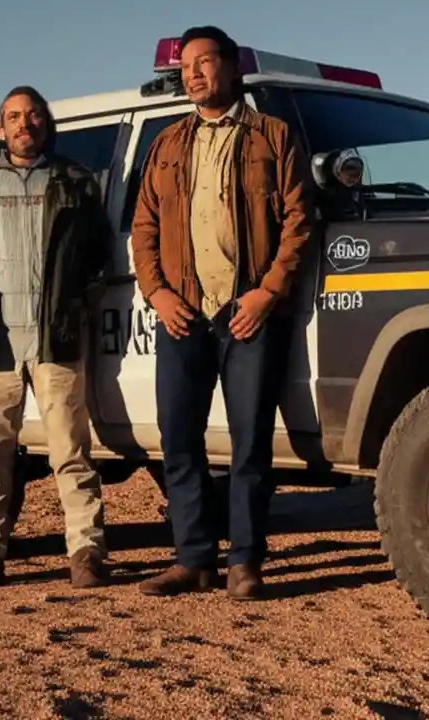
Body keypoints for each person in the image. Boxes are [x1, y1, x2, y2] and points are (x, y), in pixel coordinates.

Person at [130, 26, 314, 600]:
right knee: (178, 440)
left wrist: (267, 294)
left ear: (232, 69)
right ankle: (192, 558)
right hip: (181, 312)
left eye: (205, 62)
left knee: (250, 443)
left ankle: (246, 560)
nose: (194, 74)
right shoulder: (167, 143)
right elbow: (144, 229)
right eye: (186, 66)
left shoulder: (273, 136)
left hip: (248, 312)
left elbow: (299, 221)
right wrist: (158, 294)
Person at [0, 85, 113, 590]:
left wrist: (76, 306)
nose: (24, 124)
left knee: (71, 450)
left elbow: (101, 256)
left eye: (33, 115)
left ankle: (85, 551)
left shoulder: (76, 183)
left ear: (46, 123)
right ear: (1, 128)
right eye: (14, 116)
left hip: (56, 342)